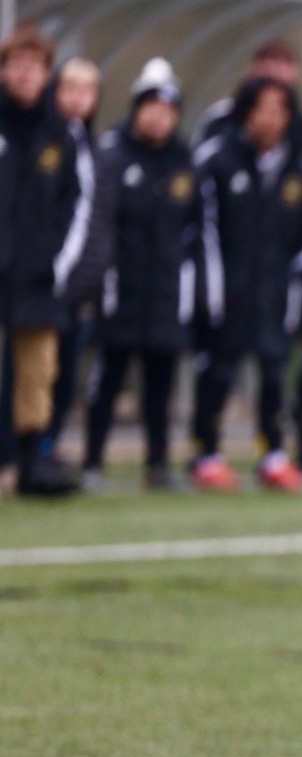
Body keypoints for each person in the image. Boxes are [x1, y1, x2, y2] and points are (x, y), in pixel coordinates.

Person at [188, 77, 302, 492]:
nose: (270, 118)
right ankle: (207, 453)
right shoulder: (218, 159)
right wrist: (212, 289)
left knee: (275, 374)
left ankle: (273, 455)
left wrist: (296, 292)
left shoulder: (300, 166)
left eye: (279, 110)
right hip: (227, 292)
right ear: (247, 112)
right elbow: (201, 230)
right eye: (262, 109)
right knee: (219, 372)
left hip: (275, 293)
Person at [82, 58, 197, 490]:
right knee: (108, 379)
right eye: (151, 106)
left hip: (165, 292)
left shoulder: (184, 160)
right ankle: (92, 461)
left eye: (169, 110)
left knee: (159, 385)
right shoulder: (112, 153)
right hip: (120, 291)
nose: (159, 117)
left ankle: (158, 464)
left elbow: (194, 226)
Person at [0, 25, 96, 497]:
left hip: (38, 278)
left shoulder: (63, 134)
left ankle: (31, 462)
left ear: (45, 74)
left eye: (34, 65)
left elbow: (79, 205)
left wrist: (57, 266)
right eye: (16, 64)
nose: (24, 73)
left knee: (37, 372)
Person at [46, 57, 101, 456]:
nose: (78, 98)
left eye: (87, 90)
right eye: (70, 88)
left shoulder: (96, 149)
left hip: (78, 285)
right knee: (32, 374)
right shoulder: (43, 142)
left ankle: (48, 446)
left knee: (66, 374)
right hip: (40, 280)